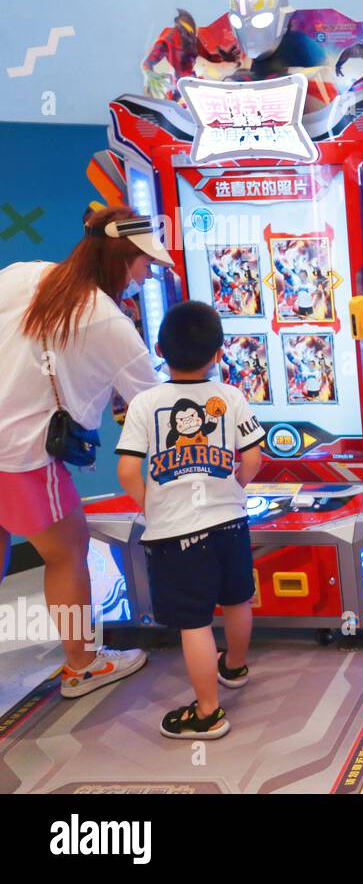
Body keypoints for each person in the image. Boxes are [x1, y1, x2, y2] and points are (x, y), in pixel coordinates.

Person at [0, 206, 172, 697]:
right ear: (124, 258)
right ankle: (82, 663)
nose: (145, 277)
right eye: (145, 266)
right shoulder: (107, 319)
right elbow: (154, 400)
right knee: (68, 551)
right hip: (23, 456)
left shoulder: (24, 275)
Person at [116, 301, 265, 738]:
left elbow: (128, 471)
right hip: (231, 524)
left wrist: (152, 505)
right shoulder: (230, 396)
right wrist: (234, 488)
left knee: (194, 623)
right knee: (238, 598)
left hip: (176, 533)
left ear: (159, 348)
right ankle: (234, 667)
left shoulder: (145, 403)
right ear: (218, 353)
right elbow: (254, 457)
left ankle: (207, 712)